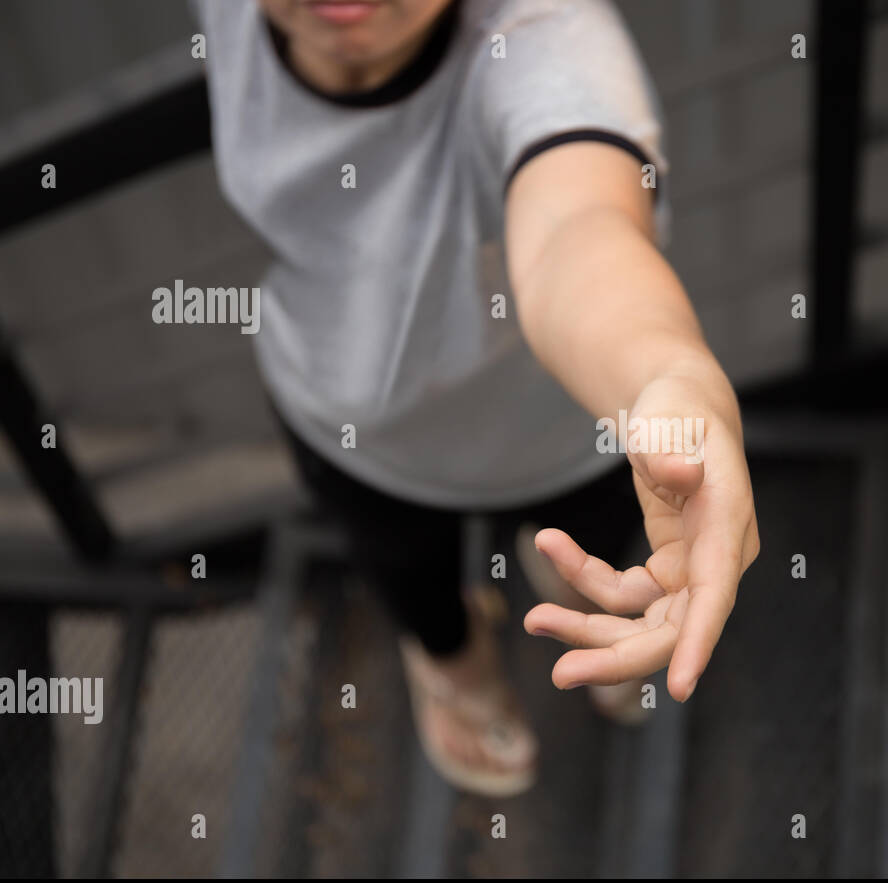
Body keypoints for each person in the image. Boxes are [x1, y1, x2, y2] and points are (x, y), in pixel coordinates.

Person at [190, 0, 759, 796]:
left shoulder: (545, 45)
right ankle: (460, 675)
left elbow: (578, 231)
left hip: (571, 432)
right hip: (352, 429)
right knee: (416, 593)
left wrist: (665, 378)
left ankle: (570, 602)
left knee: (595, 557)